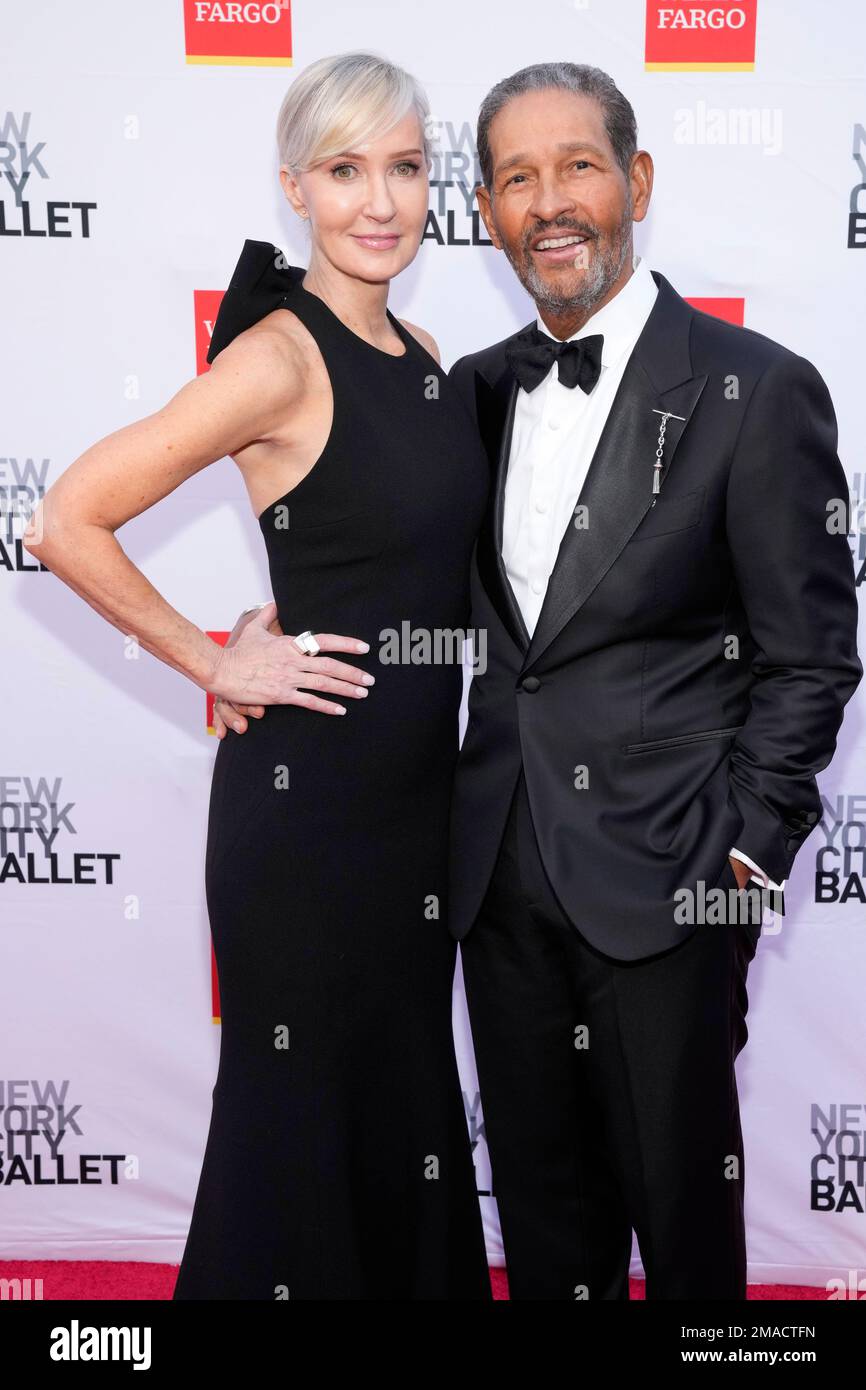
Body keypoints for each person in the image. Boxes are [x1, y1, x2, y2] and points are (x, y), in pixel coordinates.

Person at [221, 61, 862, 1301]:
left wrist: (738, 864)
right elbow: (388, 552)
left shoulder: (756, 389)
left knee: (684, 1241)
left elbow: (809, 655)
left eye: (576, 165)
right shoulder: (469, 391)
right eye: (515, 177)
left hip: (669, 888)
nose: (549, 200)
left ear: (636, 181)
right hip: (493, 886)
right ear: (488, 210)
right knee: (542, 1230)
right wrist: (264, 629)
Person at [23, 51, 492, 1300]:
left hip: (411, 816)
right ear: (296, 186)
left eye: (402, 168)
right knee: (296, 1119)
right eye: (345, 171)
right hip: (309, 817)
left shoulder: (424, 347)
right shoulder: (278, 357)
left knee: (400, 1108)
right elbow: (65, 519)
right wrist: (211, 653)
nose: (379, 201)